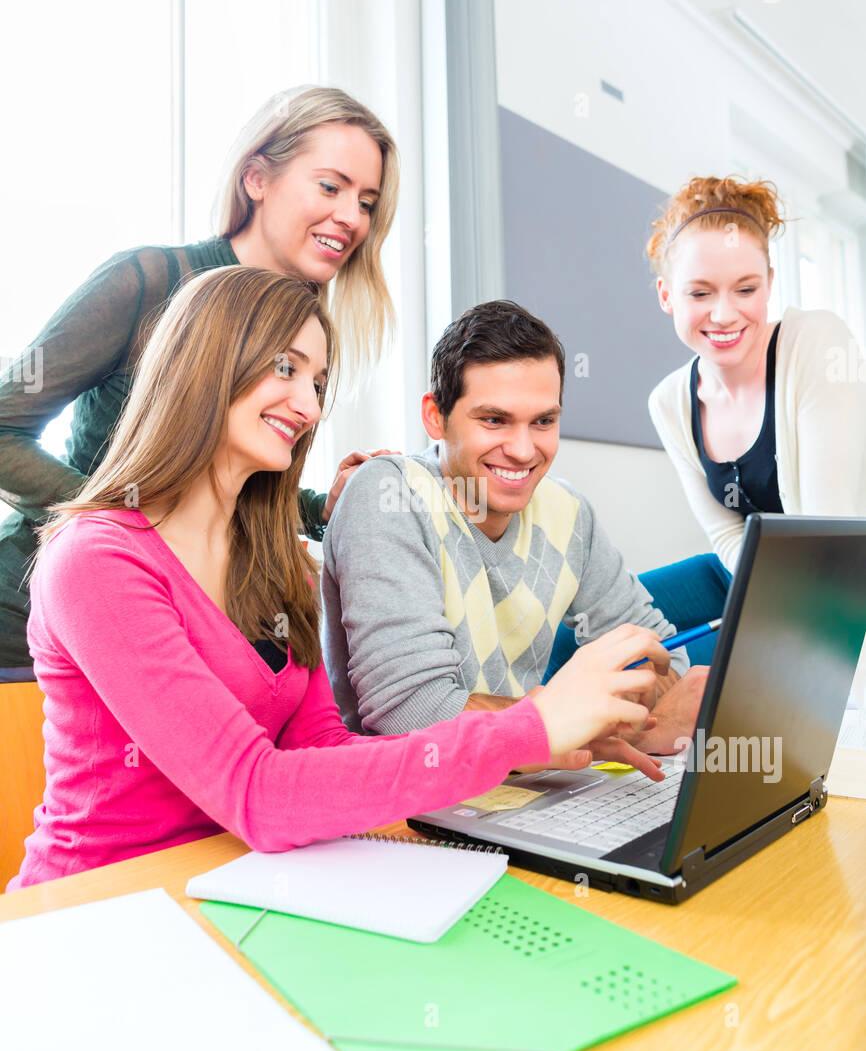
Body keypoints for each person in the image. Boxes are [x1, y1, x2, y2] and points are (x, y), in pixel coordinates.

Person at [6, 268, 672, 892]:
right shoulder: (98, 561)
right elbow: (257, 793)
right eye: (286, 368)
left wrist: (551, 745)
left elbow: (323, 750)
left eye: (318, 381)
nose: (307, 404)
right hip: (101, 908)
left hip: (247, 884)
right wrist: (529, 729)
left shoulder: (277, 561)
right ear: (203, 363)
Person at [0, 84, 399, 677]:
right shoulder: (148, 281)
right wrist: (123, 522)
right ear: (256, 179)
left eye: (367, 201)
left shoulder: (306, 335)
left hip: (169, 627)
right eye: (331, 186)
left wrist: (320, 507)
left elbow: (220, 495)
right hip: (30, 625)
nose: (351, 218)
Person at [322, 300, 707, 778]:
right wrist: (606, 727)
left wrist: (631, 709)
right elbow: (412, 716)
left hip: (520, 788)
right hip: (400, 808)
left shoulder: (570, 516)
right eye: (494, 420)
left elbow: (662, 658)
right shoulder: (389, 497)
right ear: (435, 417)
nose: (525, 451)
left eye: (543, 421)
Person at [546, 174, 866, 676]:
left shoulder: (817, 343)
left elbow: (833, 535)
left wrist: (773, 623)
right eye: (699, 292)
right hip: (745, 576)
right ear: (666, 295)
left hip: (837, 588)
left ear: (769, 285)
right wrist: (754, 603)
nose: (724, 313)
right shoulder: (669, 401)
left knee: (672, 679)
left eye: (745, 289)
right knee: (577, 642)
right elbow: (725, 534)